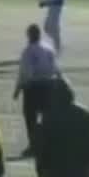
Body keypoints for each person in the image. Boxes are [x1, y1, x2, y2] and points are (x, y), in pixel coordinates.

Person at [12, 24, 61, 159]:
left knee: (31, 118)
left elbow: (25, 73)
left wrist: (18, 89)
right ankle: (50, 144)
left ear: (29, 35)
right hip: (49, 87)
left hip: (33, 88)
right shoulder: (49, 49)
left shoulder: (28, 51)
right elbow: (56, 69)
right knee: (47, 117)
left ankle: (34, 146)